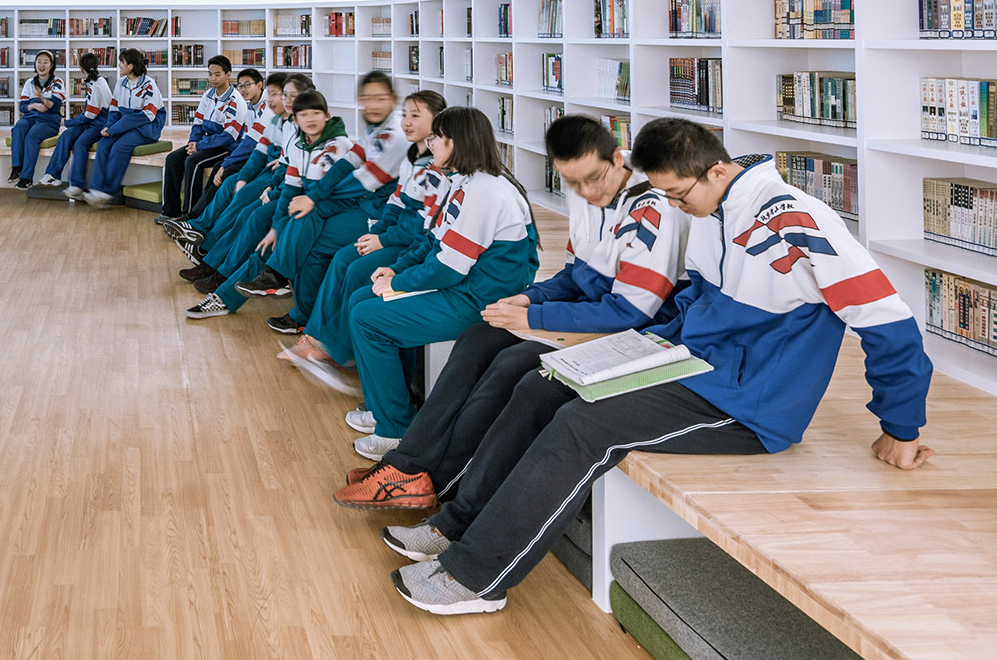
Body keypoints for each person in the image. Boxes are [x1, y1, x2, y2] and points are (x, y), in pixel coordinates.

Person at [384, 117, 934, 617]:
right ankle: (456, 523)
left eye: (676, 194)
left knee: (583, 425)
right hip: (686, 364)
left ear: (716, 171)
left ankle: (478, 578)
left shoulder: (800, 221)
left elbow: (888, 323)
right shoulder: (712, 210)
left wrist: (901, 427)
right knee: (540, 382)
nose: (671, 205)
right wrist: (643, 346)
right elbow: (693, 303)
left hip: (747, 402)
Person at [335, 113, 689, 509]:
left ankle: (436, 482)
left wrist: (534, 317)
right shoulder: (584, 195)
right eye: (573, 183)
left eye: (594, 179)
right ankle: (406, 466)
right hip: (588, 315)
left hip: (628, 334)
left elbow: (629, 312)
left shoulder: (653, 208)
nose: (587, 192)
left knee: (508, 368)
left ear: (618, 160)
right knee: (476, 340)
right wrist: (530, 298)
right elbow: (574, 275)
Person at [344, 106, 539, 459]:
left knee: (367, 318)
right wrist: (395, 271)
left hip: (476, 300)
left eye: (437, 138)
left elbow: (449, 268)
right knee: (362, 299)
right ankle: (386, 406)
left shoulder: (485, 190)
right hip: (462, 288)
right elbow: (432, 242)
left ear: (457, 142)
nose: (430, 143)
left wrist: (400, 283)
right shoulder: (465, 181)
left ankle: (395, 430)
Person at [285, 88, 446, 376]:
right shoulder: (411, 155)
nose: (406, 122)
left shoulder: (438, 165)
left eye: (415, 116)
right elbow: (396, 202)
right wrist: (378, 232)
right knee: (343, 258)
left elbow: (423, 225)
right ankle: (319, 338)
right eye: (404, 115)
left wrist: (383, 239)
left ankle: (337, 348)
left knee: (358, 270)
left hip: (414, 242)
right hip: (396, 232)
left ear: (437, 120)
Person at [241, 71, 411, 335]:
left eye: (381, 98)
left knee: (311, 241)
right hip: (362, 204)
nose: (373, 105)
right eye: (368, 99)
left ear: (394, 99)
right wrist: (311, 198)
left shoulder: (395, 134)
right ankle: (287, 292)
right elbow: (348, 163)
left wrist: (313, 196)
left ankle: (291, 295)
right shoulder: (375, 128)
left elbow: (361, 182)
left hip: (382, 214)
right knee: (305, 223)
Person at [186, 89, 350, 319]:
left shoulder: (339, 145)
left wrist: (288, 214)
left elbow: (331, 194)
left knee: (279, 238)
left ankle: (239, 292)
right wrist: (275, 227)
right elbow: (291, 190)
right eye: (304, 115)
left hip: (339, 210)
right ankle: (224, 297)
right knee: (267, 240)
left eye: (316, 113)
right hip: (308, 207)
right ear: (295, 120)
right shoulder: (300, 146)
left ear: (327, 115)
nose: (310, 119)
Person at [171, 75, 312, 280]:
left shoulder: (302, 124)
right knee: (231, 185)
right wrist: (246, 175)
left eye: (279, 95)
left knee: (246, 209)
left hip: (284, 180)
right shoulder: (280, 120)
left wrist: (278, 172)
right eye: (277, 95)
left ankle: (211, 256)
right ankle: (205, 245)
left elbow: (293, 165)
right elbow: (260, 150)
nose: (275, 100)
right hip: (274, 173)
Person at [158, 56, 244, 222]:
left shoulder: (236, 101)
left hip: (226, 147)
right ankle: (170, 212)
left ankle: (189, 216)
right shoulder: (208, 95)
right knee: (172, 159)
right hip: (206, 143)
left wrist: (200, 146)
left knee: (193, 162)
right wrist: (193, 143)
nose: (212, 78)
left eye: (217, 74)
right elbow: (198, 124)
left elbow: (228, 136)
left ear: (228, 74)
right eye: (210, 74)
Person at [82, 48, 165, 209]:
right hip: (125, 124)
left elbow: (148, 115)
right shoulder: (121, 83)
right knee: (103, 144)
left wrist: (116, 128)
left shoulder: (149, 84)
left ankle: (107, 192)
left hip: (146, 127)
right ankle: (96, 189)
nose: (119, 65)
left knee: (120, 146)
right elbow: (114, 109)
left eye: (121, 62)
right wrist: (109, 126)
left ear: (131, 66)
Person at [180, 67, 266, 220]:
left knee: (221, 170)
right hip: (251, 152)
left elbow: (248, 142)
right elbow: (246, 140)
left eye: (247, 85)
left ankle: (196, 216)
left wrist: (226, 163)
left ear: (259, 85)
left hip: (262, 156)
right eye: (240, 86)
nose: (243, 89)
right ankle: (196, 215)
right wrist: (195, 142)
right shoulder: (250, 106)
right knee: (216, 167)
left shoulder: (264, 106)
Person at [41, 52, 110, 191]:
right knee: (66, 135)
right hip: (90, 121)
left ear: (81, 68)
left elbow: (90, 115)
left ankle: (77, 184)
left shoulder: (98, 85)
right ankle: (53, 175)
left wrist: (68, 122)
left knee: (80, 144)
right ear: (97, 66)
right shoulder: (93, 81)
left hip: (99, 123)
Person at [8, 51, 65, 188]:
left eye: (45, 62)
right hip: (31, 117)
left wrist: (42, 98)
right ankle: (17, 167)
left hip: (49, 121)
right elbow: (22, 107)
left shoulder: (57, 82)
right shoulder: (29, 83)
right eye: (39, 61)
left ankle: (26, 178)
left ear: (51, 65)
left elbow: (54, 105)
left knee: (31, 136)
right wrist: (33, 105)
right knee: (18, 128)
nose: (41, 65)